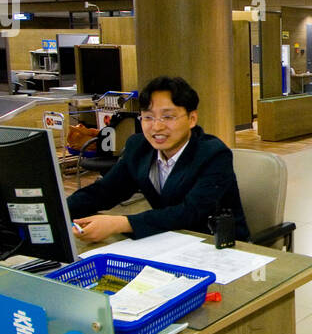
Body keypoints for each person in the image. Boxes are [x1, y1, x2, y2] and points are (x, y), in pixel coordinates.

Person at [68, 75, 250, 243]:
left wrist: (119, 223)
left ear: (192, 119)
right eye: (148, 117)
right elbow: (106, 191)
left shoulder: (213, 154)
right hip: (168, 240)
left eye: (168, 117)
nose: (157, 126)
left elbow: (190, 212)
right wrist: (59, 210)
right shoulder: (138, 147)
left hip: (217, 243)